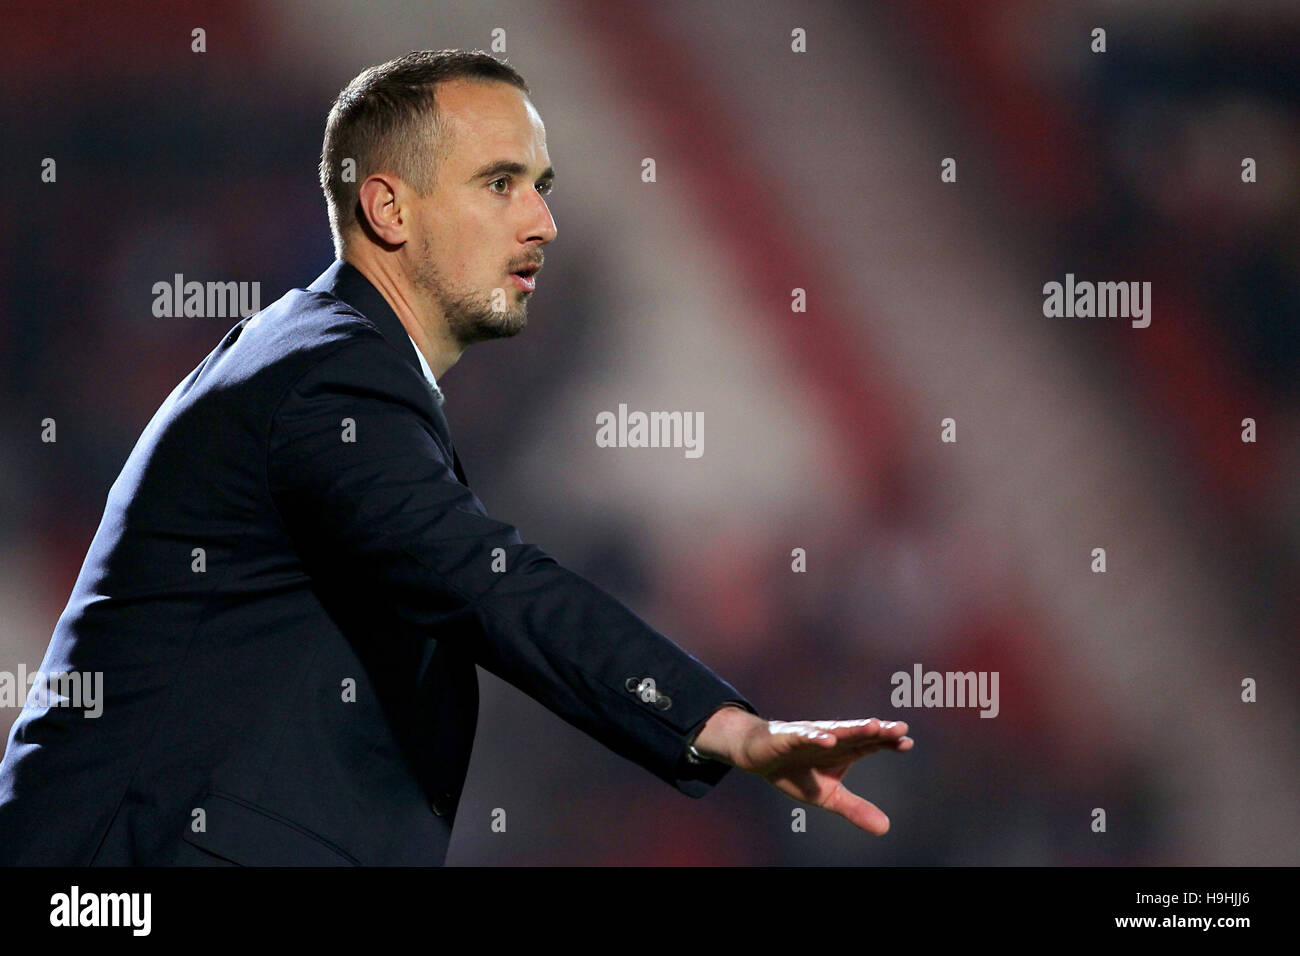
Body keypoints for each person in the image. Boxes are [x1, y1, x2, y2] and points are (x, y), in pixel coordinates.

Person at [0, 49, 913, 866]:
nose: (543, 222)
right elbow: (487, 580)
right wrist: (727, 728)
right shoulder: (330, 376)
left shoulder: (329, 367)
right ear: (389, 207)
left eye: (541, 185)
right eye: (502, 183)